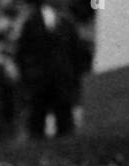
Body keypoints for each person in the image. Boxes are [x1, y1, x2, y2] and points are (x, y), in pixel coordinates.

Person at [16, 0, 90, 139]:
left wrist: (73, 76)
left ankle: (65, 151)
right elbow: (22, 52)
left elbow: (77, 52)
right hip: (39, 80)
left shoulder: (67, 24)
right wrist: (29, 74)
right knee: (37, 118)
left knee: (64, 120)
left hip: (62, 79)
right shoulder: (31, 23)